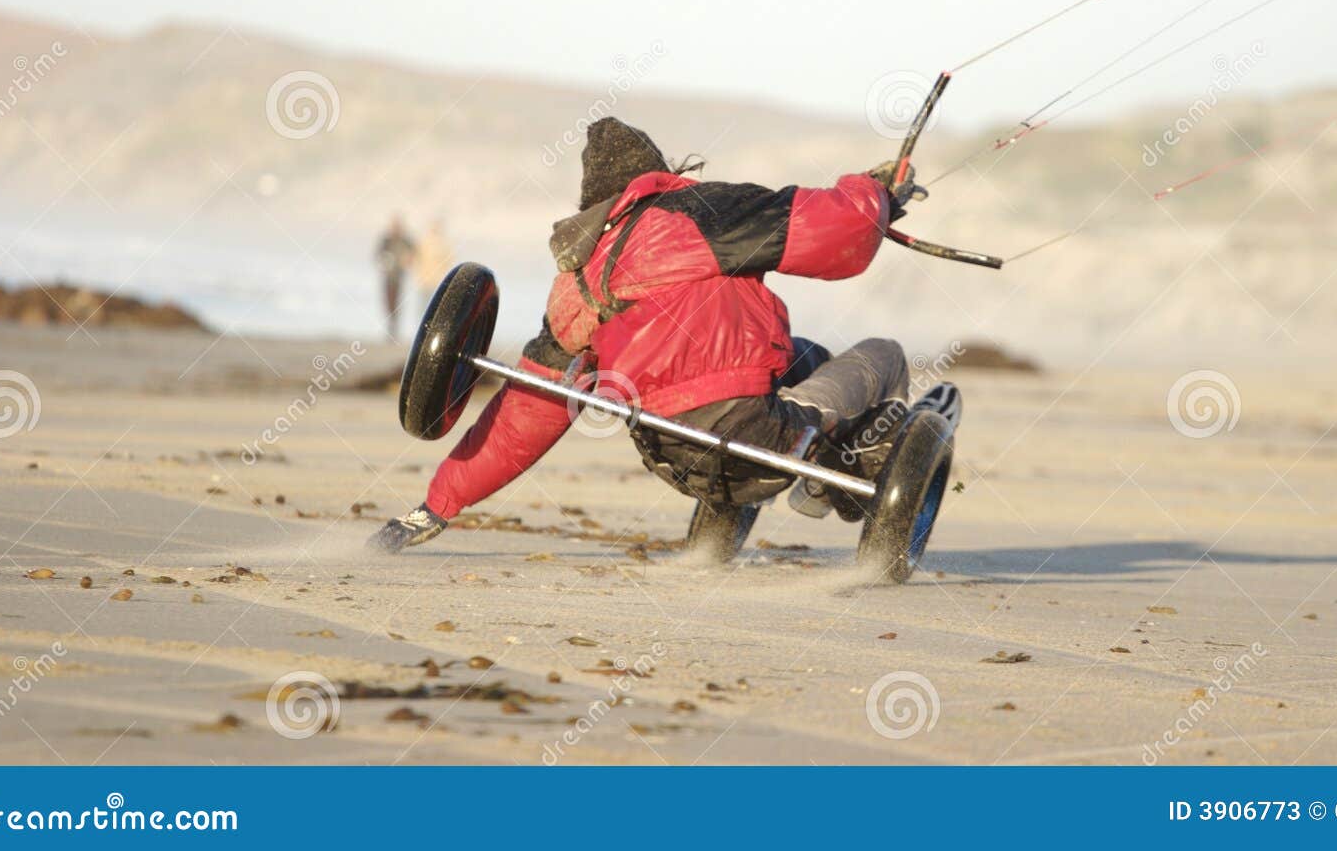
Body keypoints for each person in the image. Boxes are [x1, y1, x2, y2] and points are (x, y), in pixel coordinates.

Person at [369, 118, 952, 552]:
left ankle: (772, 495)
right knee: (884, 355)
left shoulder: (578, 282)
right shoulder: (700, 211)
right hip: (758, 437)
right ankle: (833, 479)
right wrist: (878, 194)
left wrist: (438, 504)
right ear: (657, 176)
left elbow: (528, 412)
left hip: (674, 461)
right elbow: (839, 233)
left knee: (805, 358)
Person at [374, 214, 415, 343]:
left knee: (397, 303)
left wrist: (407, 260)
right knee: (388, 302)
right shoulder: (386, 240)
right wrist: (383, 263)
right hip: (388, 276)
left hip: (399, 277)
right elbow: (378, 255)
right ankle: (390, 328)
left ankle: (394, 329)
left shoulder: (405, 241)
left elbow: (413, 252)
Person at [410, 218, 454, 308]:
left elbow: (449, 261)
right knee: (424, 305)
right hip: (425, 280)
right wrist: (418, 274)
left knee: (436, 304)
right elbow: (416, 259)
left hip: (437, 280)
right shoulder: (424, 242)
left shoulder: (443, 243)